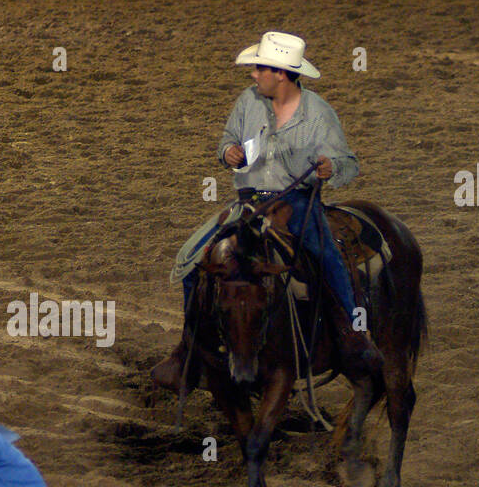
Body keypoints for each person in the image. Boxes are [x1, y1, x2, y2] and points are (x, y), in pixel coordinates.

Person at [152, 31, 383, 391]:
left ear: (281, 74)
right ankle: (190, 349)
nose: (253, 75)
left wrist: (330, 168)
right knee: (191, 260)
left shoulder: (319, 113)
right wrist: (227, 152)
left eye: (259, 68)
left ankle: (354, 333)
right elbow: (228, 138)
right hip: (247, 204)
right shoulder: (248, 101)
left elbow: (348, 162)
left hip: (297, 203)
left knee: (326, 255)